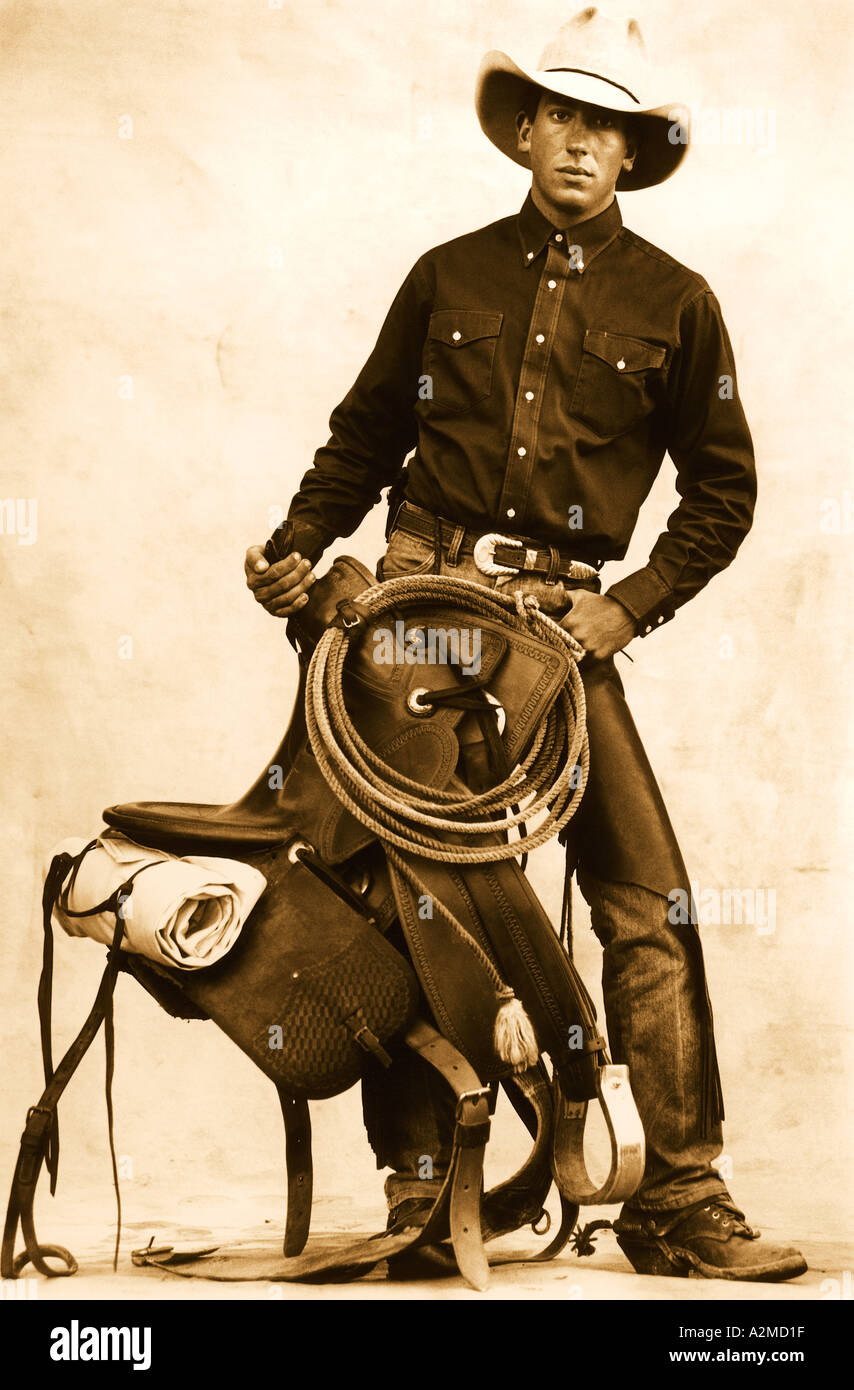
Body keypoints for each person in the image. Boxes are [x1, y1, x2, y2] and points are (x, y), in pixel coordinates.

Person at [244, 8, 806, 1281]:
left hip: (556, 631)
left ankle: (676, 1195)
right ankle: (422, 1191)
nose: (577, 142)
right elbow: (364, 434)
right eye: (560, 115)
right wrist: (294, 542)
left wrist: (627, 606)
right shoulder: (444, 273)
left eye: (604, 124)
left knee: (648, 900)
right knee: (385, 892)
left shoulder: (678, 304)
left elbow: (722, 494)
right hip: (416, 606)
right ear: (527, 132)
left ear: (628, 152)